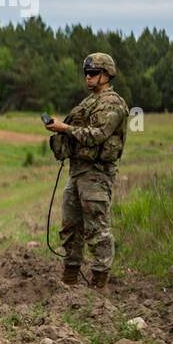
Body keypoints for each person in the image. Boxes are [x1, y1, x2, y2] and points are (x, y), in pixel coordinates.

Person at [45, 52, 128, 290]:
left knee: (97, 228)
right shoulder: (89, 102)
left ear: (106, 74)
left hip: (97, 173)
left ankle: (99, 284)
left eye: (93, 73)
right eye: (86, 73)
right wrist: (60, 128)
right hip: (78, 171)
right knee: (70, 226)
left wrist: (65, 128)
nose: (88, 78)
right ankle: (70, 277)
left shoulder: (112, 103)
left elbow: (96, 135)